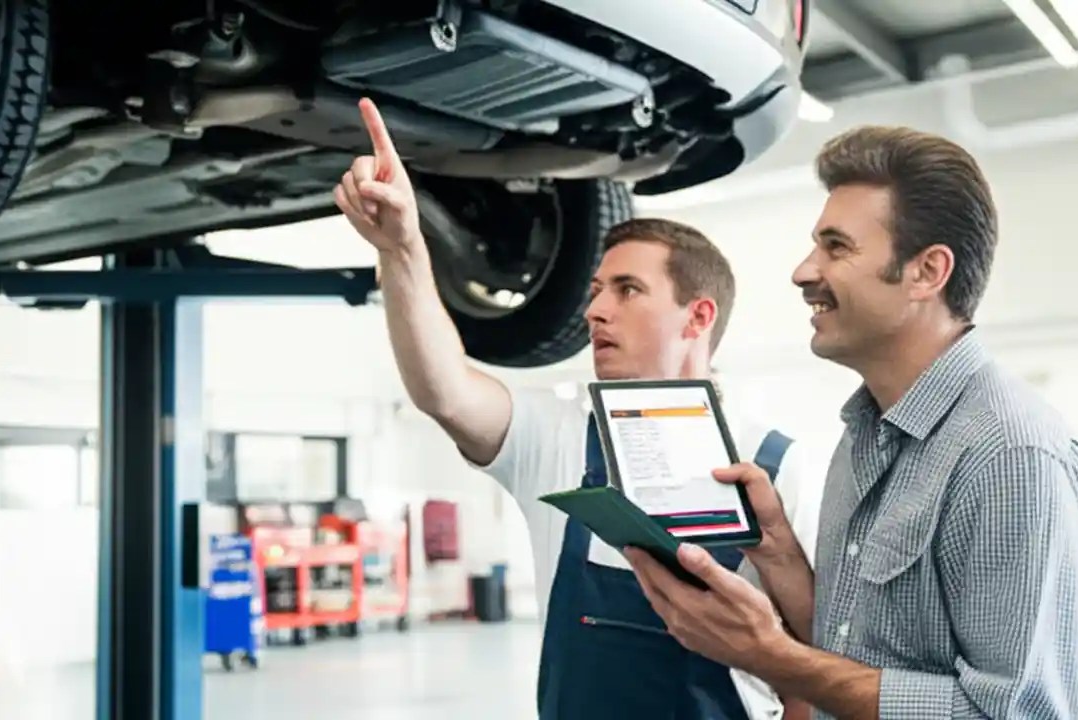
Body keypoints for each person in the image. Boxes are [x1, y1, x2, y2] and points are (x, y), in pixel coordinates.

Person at [332, 96, 821, 720]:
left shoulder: (773, 465)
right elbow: (444, 390)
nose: (594, 311)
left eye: (628, 290)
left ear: (698, 316)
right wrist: (403, 249)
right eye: (594, 291)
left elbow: (811, 662)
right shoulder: (556, 435)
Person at [623, 125, 1078, 720]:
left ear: (927, 272)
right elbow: (855, 648)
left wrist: (772, 655)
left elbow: (1021, 714)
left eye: (836, 247)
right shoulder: (864, 433)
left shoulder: (1010, 456)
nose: (803, 271)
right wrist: (780, 554)